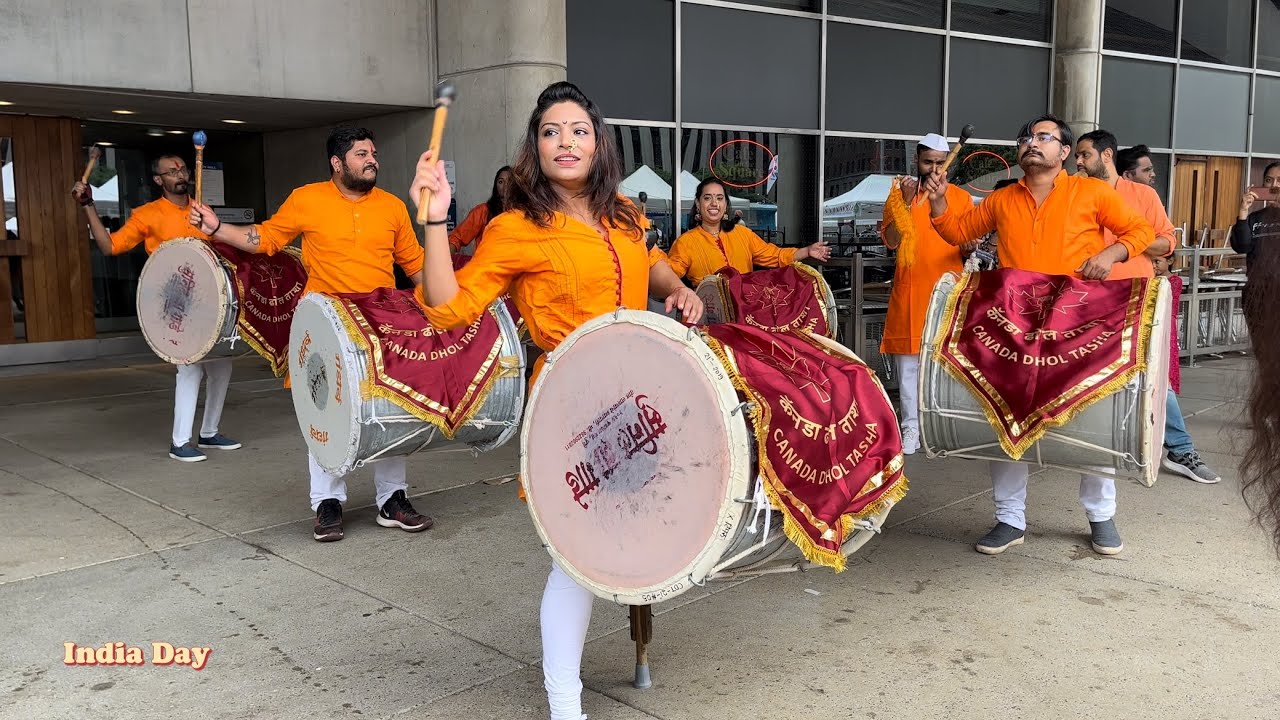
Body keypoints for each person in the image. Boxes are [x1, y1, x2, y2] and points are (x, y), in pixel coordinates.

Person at [409, 81, 702, 720]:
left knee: (649, 533)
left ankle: (634, 650)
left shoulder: (624, 214)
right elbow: (446, 306)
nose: (564, 142)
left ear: (598, 145)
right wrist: (434, 219)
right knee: (578, 557)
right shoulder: (515, 227)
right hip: (573, 412)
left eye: (577, 130)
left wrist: (678, 288)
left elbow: (649, 261)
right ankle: (565, 707)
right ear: (534, 150)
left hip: (645, 396)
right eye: (550, 132)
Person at [923, 114, 1155, 556]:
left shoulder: (1090, 191)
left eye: (1045, 137)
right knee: (1005, 413)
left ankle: (1101, 515)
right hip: (1016, 323)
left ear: (1065, 153)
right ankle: (1009, 519)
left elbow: (1140, 230)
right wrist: (937, 203)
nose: (1033, 143)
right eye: (1028, 137)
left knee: (1093, 412)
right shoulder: (1003, 198)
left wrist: (1110, 254)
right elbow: (957, 232)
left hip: (1082, 320)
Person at [189, 126, 432, 543]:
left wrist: (454, 303)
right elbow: (264, 239)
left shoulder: (392, 207)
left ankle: (392, 499)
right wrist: (215, 227)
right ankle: (328, 503)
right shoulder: (307, 199)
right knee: (327, 409)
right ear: (337, 164)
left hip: (380, 322)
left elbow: (416, 265)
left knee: (392, 407)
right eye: (361, 154)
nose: (371, 159)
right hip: (326, 323)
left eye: (372, 152)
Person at [71, 155, 240, 463]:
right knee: (189, 367)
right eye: (171, 171)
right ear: (159, 180)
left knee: (221, 364)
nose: (180, 174)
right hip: (174, 301)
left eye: (182, 169)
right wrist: (88, 206)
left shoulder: (203, 210)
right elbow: (110, 246)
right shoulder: (147, 214)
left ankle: (210, 432)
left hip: (208, 298)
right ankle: (180, 442)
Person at [1076, 130, 1220, 484]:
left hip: (1134, 300)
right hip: (1083, 301)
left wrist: (1127, 246)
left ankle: (1180, 449)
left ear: (1106, 155)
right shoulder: (1075, 194)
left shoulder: (1142, 195)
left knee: (1152, 375)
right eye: (1075, 157)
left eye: (1084, 155)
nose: (1077, 163)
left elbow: (1168, 241)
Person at [880, 133, 974, 455]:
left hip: (947, 291)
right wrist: (905, 201)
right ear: (916, 162)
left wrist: (970, 244)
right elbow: (891, 240)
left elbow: (964, 242)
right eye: (927, 162)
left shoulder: (961, 198)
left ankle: (944, 427)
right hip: (910, 290)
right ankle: (910, 428)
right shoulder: (899, 194)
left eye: (939, 162)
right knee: (908, 369)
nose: (934, 169)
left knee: (946, 365)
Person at [666, 176, 831, 285]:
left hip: (745, 312)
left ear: (725, 205)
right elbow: (669, 273)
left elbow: (774, 255)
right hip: (706, 314)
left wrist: (807, 251)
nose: (714, 203)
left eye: (720, 198)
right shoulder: (686, 242)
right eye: (707, 198)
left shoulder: (742, 234)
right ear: (698, 204)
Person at [1241, 221, 1280, 553]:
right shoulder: (1257, 218)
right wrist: (1242, 214)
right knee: (1265, 356)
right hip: (1259, 293)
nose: (1274, 186)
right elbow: (1242, 245)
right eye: (1270, 181)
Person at [449, 166, 512, 253]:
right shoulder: (483, 211)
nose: (505, 185)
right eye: (501, 182)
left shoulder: (524, 212)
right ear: (496, 187)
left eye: (510, 181)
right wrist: (444, 263)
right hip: (487, 264)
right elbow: (456, 238)